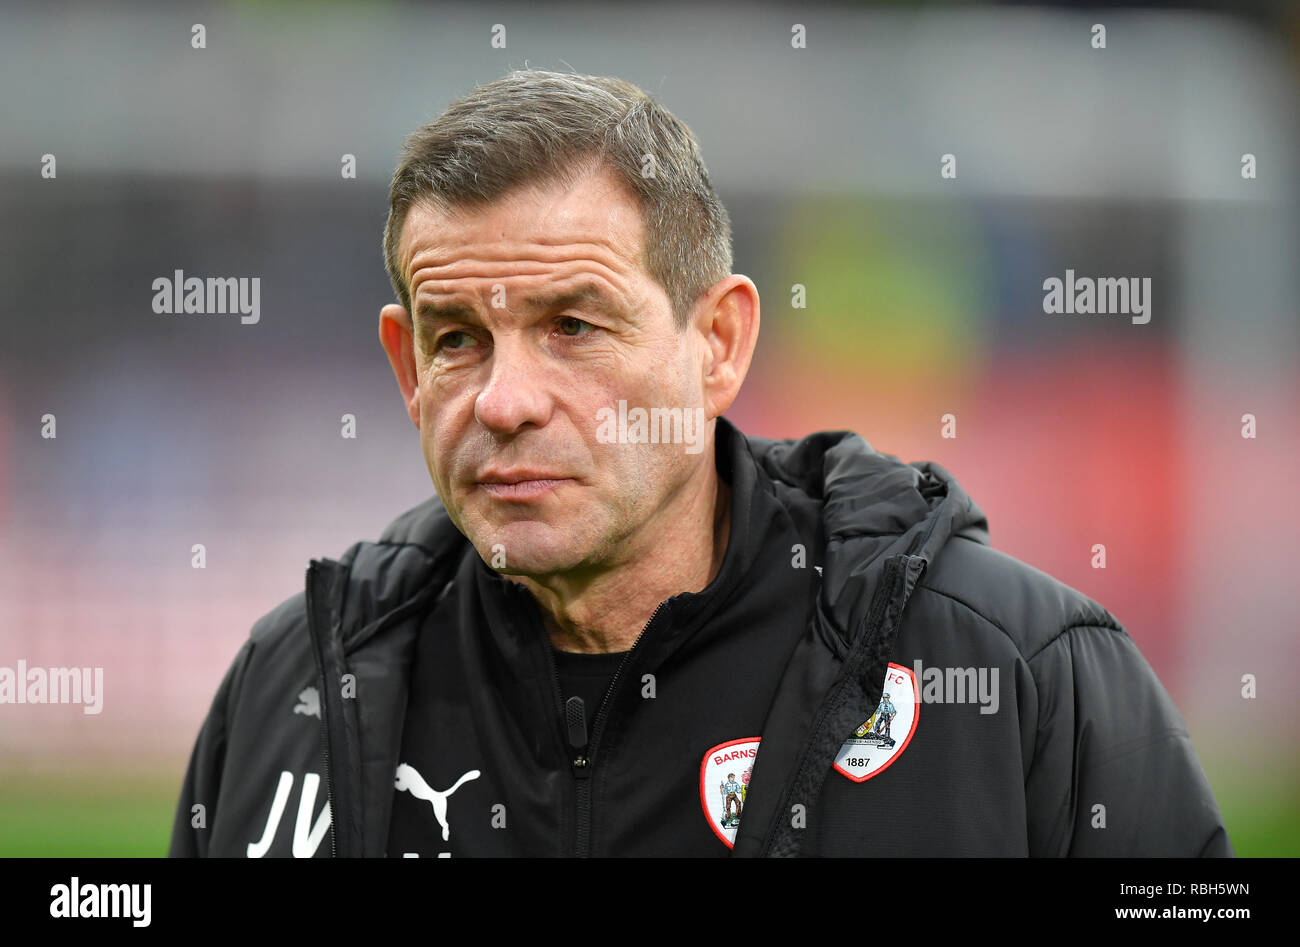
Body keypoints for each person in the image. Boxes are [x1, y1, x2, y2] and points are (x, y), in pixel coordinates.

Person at [169, 69, 1233, 858]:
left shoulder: (1021, 674)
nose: (502, 400)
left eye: (574, 326)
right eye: (457, 338)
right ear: (406, 365)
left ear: (717, 344)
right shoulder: (293, 688)